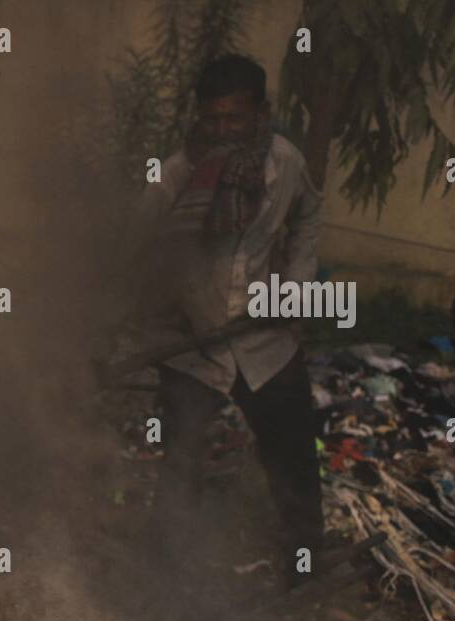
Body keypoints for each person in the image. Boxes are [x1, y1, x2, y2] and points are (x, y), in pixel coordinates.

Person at [137, 53, 325, 576]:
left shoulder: (285, 162)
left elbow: (310, 212)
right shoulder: (176, 176)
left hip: (264, 340)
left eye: (234, 118)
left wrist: (294, 287)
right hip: (191, 348)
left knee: (292, 457)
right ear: (199, 117)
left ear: (261, 113)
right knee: (181, 464)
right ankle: (168, 579)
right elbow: (138, 247)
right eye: (212, 118)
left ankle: (304, 567)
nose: (222, 130)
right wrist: (168, 305)